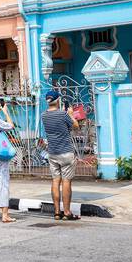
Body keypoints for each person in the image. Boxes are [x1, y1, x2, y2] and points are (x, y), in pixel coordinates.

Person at [40, 89, 80, 221]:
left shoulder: (44, 115)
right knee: (66, 181)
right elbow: (75, 126)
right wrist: (71, 114)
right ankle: (67, 212)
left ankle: (57, 212)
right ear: (58, 100)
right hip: (66, 152)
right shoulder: (63, 115)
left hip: (53, 152)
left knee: (55, 180)